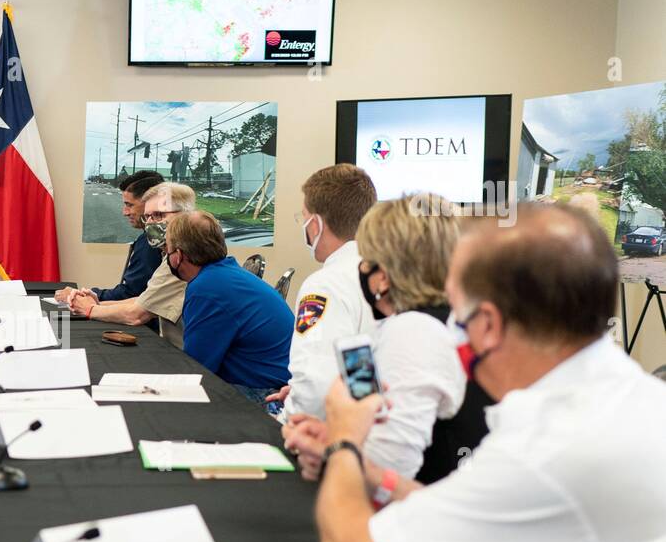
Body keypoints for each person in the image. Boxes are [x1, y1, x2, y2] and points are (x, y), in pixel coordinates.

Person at [313, 201, 666, 542]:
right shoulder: (612, 398)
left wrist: (343, 440)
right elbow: (476, 510)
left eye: (456, 311)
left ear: (490, 325)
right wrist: (377, 477)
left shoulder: (549, 448)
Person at [283, 194, 487, 482]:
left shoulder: (412, 331)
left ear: (384, 276)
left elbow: (386, 466)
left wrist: (334, 450)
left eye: (367, 258)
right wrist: (334, 437)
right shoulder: (459, 322)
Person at [268, 164, 378, 419]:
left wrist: (288, 418)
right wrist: (297, 391)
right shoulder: (383, 271)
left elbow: (316, 384)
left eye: (303, 217)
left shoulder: (325, 285)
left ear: (315, 225)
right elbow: (359, 373)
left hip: (330, 436)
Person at [161, 210, 293, 402]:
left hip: (264, 392)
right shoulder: (225, 274)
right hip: (278, 383)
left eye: (167, 249)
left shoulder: (207, 288)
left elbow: (197, 370)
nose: (166, 254)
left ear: (178, 255)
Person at [68, 182, 195, 348]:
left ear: (185, 215)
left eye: (158, 215)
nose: (150, 224)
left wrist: (89, 309)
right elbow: (145, 300)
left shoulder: (185, 258)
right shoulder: (170, 254)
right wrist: (96, 303)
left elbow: (136, 315)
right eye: (147, 217)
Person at [54, 170, 162, 305]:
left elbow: (131, 293)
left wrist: (82, 297)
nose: (125, 212)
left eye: (130, 205)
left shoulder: (152, 241)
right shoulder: (151, 238)